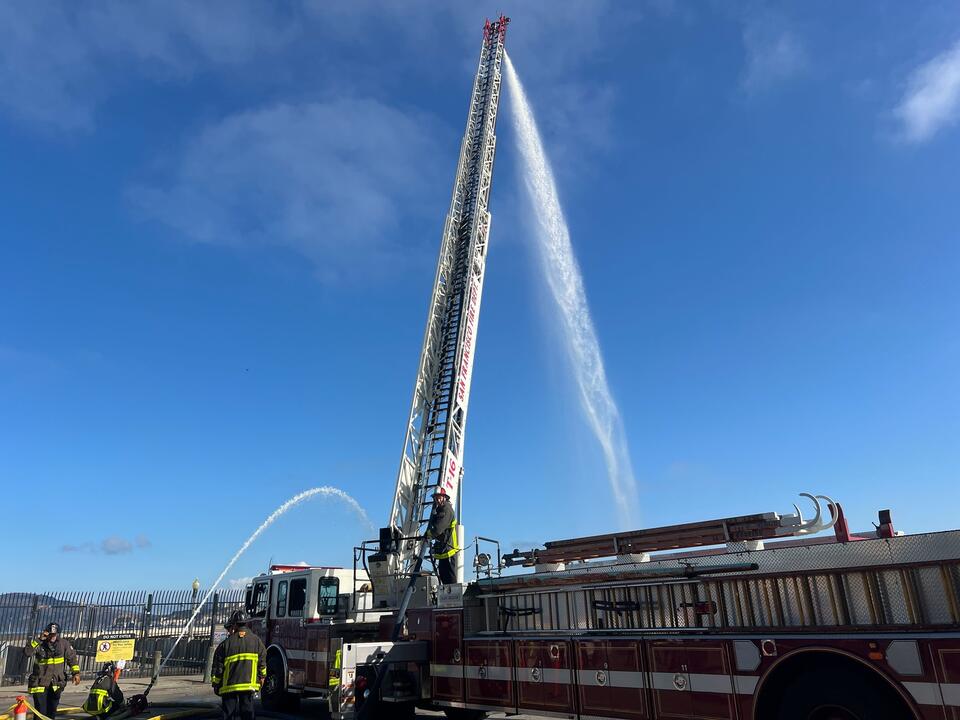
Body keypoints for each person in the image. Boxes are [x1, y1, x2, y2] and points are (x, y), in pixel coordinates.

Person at [211, 610, 267, 720]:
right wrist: (262, 677)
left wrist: (216, 684)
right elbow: (262, 663)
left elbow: (218, 668)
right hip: (249, 685)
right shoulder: (256, 641)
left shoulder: (225, 644)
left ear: (235, 625)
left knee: (228, 714)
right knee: (247, 714)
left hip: (229, 687)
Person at [23, 622, 80, 720]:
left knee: (52, 711)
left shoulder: (63, 644)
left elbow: (72, 659)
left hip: (56, 683)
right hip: (40, 684)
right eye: (50, 634)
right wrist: (39, 639)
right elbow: (27, 652)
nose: (52, 637)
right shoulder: (39, 643)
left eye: (54, 634)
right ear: (46, 633)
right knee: (40, 713)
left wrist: (76, 673)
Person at [426, 487, 459, 584]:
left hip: (449, 549)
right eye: (436, 498)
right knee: (444, 576)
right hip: (443, 549)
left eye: (439, 497)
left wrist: (427, 535)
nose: (437, 500)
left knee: (449, 578)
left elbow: (438, 529)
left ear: (444, 498)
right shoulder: (439, 510)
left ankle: (453, 597)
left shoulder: (446, 510)